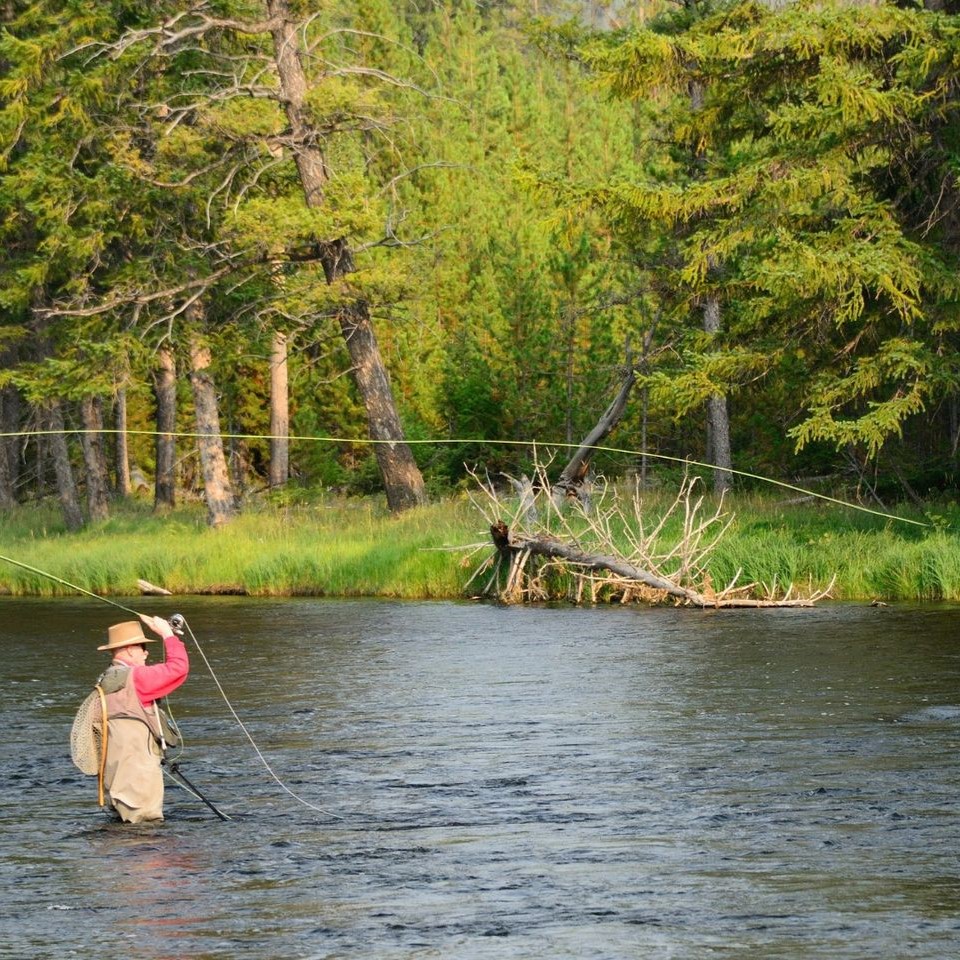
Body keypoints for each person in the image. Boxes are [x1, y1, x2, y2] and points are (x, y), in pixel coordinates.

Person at [94, 614, 189, 823]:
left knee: (125, 839)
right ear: (129, 649)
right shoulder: (136, 678)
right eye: (143, 648)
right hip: (137, 779)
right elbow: (178, 669)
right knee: (146, 837)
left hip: (115, 778)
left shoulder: (106, 679)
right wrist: (167, 635)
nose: (146, 654)